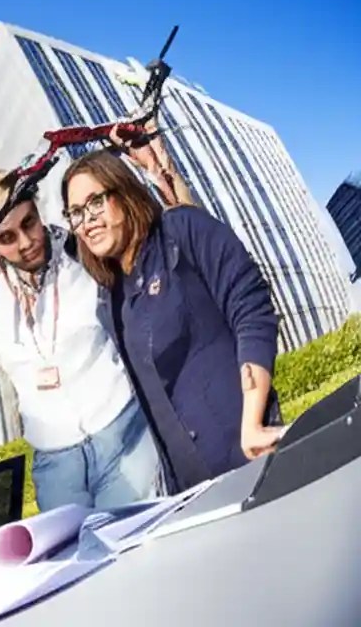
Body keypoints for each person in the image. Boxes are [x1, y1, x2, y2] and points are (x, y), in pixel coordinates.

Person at [0, 167, 163, 512]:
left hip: (122, 435)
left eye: (29, 223)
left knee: (134, 545)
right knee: (77, 563)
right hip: (55, 466)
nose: (27, 242)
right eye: (8, 237)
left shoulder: (85, 252)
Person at [61, 150, 284, 493]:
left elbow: (251, 309)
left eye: (96, 202)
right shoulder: (110, 298)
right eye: (76, 213)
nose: (87, 220)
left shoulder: (181, 231)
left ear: (124, 193)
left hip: (246, 455)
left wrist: (253, 420)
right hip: (189, 489)